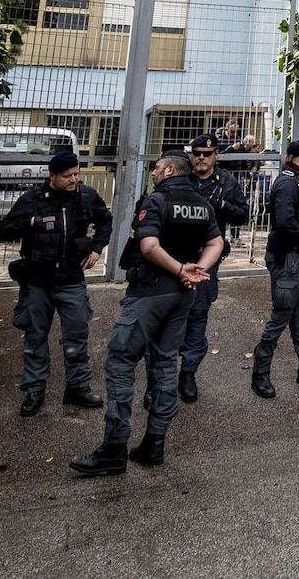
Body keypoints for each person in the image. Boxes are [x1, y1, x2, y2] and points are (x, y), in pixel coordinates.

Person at [71, 151, 223, 477]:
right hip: (183, 294)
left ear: (169, 170)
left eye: (156, 168)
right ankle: (155, 443)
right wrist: (194, 272)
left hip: (150, 292)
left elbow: (149, 247)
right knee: (166, 362)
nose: (153, 173)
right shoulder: (201, 202)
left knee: (121, 360)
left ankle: (113, 448)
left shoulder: (157, 200)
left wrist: (181, 268)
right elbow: (217, 242)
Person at [0, 149, 113, 415]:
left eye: (76, 174)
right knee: (36, 335)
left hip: (71, 277)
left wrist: (97, 248)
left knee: (76, 334)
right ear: (52, 176)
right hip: (38, 278)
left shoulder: (86, 196)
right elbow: (5, 229)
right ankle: (34, 388)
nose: (73, 180)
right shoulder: (33, 199)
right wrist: (30, 222)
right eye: (67, 176)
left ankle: (77, 387)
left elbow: (105, 220)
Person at [166, 134, 251, 403]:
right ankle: (162, 378)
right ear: (190, 155)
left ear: (216, 155)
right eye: (197, 153)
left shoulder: (226, 183)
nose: (202, 158)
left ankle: (188, 372)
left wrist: (222, 206)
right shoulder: (180, 177)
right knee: (167, 316)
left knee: (198, 315)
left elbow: (243, 214)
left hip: (206, 260)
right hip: (174, 259)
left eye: (207, 153)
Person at [250, 138, 299, 398]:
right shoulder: (286, 183)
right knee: (281, 316)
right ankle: (260, 373)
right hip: (289, 259)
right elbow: (284, 220)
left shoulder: (293, 181)